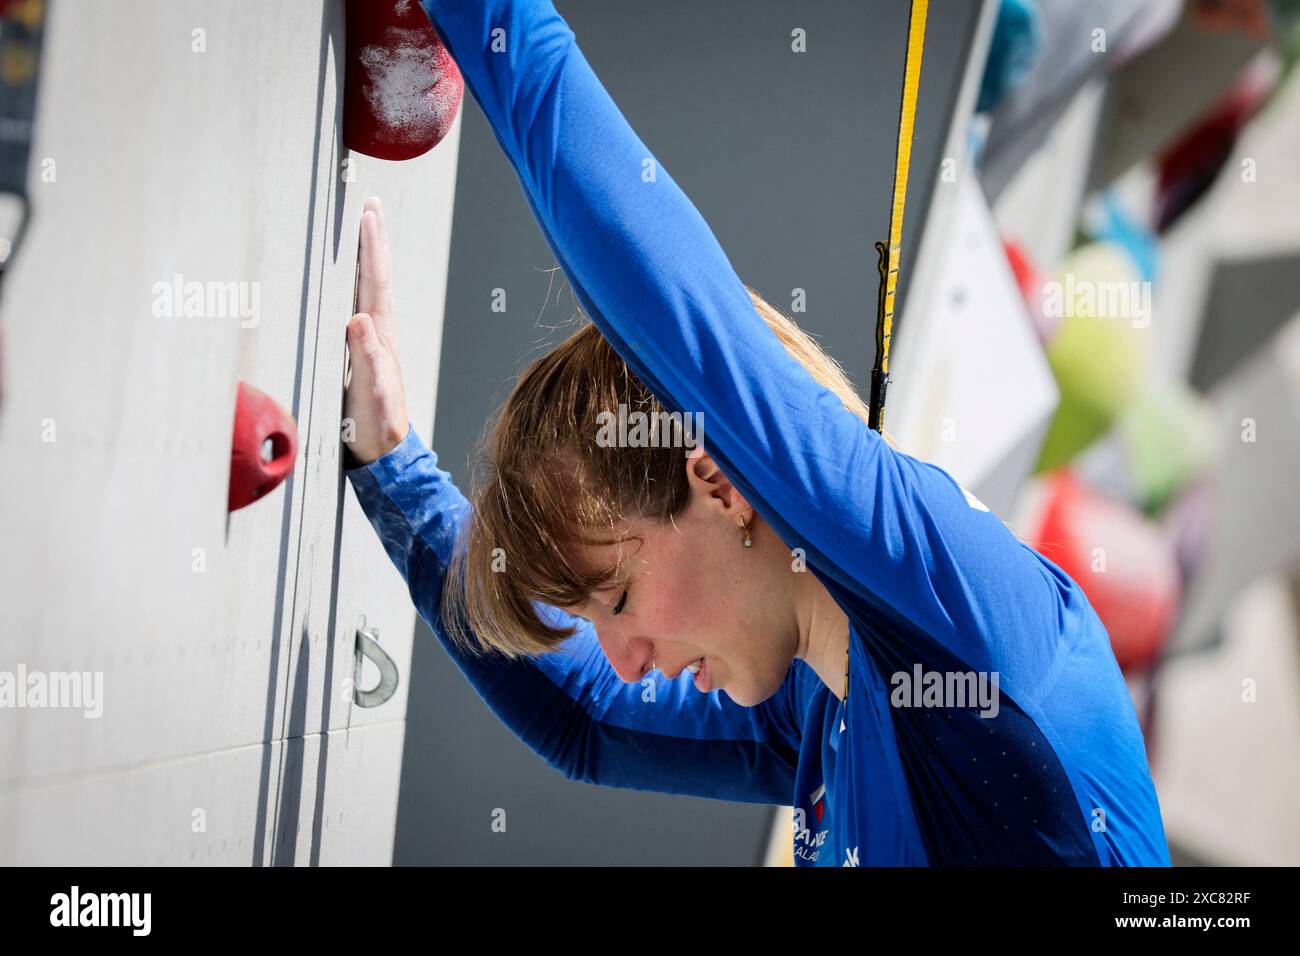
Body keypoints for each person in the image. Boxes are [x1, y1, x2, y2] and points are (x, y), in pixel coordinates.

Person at [341, 0, 1170, 866]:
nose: (623, 659)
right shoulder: (826, 688)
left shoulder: (965, 639)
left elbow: (672, 304)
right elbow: (589, 716)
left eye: (617, 599)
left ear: (722, 485)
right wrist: (393, 468)